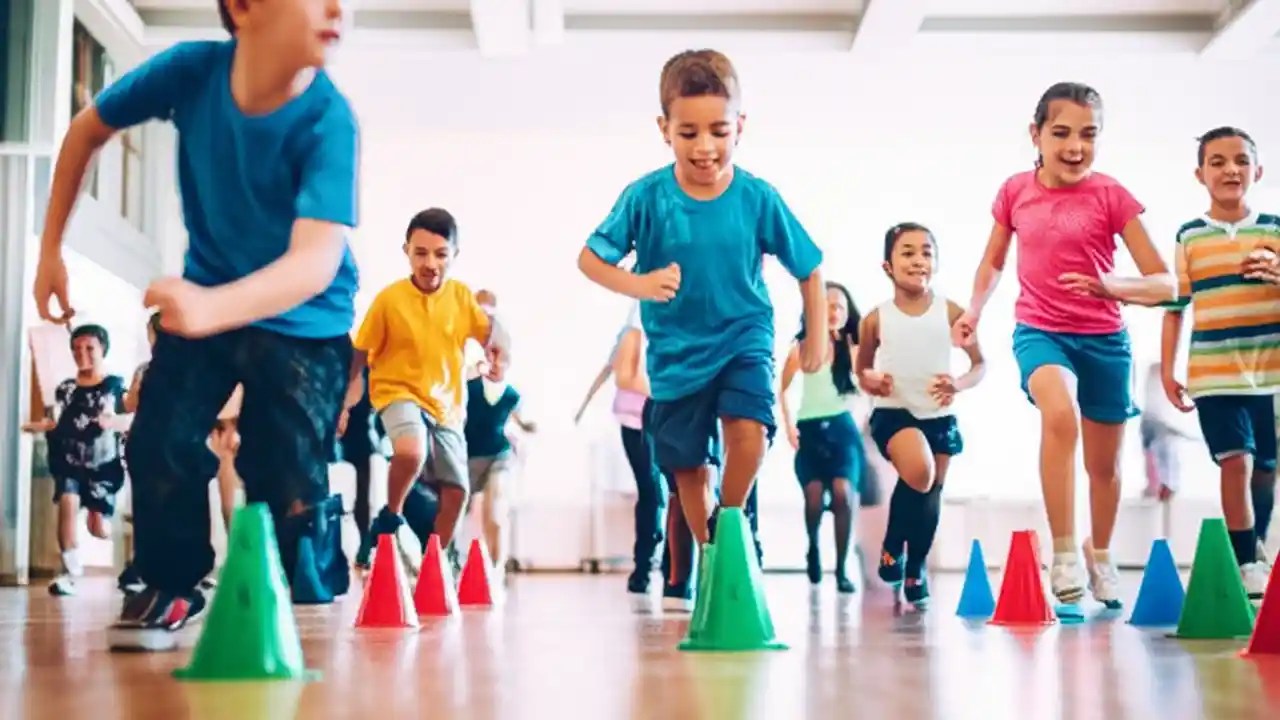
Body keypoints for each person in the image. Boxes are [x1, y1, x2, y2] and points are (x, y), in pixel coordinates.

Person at [34, 0, 360, 651]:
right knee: (158, 441)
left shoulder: (330, 120)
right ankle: (170, 581)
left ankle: (317, 549)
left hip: (306, 321)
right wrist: (50, 251)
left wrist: (208, 308)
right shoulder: (191, 72)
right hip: (206, 304)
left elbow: (315, 262)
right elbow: (86, 131)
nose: (337, 8)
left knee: (283, 473)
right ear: (244, 8)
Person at [577, 49, 826, 600]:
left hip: (744, 337)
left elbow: (808, 266)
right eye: (689, 132)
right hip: (675, 354)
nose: (705, 147)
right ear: (665, 129)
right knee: (687, 471)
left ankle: (729, 527)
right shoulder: (645, 198)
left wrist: (817, 334)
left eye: (719, 130)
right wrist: (639, 284)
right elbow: (590, 258)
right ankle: (712, 550)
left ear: (740, 125)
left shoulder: (758, 198)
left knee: (749, 438)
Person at [954, 82, 1176, 612]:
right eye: (1061, 134)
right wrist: (974, 309)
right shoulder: (1015, 191)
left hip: (1104, 340)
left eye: (1088, 134)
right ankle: (1063, 554)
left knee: (1106, 467)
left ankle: (1098, 553)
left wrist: (1111, 286)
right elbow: (993, 261)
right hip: (1040, 330)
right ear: (1036, 134)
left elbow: (1166, 283)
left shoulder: (1111, 196)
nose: (1075, 146)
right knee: (1059, 415)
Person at [348, 208, 510, 574]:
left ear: (454, 255)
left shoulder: (460, 297)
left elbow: (494, 335)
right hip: (397, 393)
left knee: (457, 492)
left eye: (440, 254)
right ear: (406, 250)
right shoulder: (390, 300)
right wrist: (349, 398)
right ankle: (390, 516)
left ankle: (435, 562)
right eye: (420, 252)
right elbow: (360, 349)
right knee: (411, 450)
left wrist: (500, 356)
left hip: (447, 407)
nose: (430, 263)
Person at [1160, 126, 1280, 598]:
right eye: (1218, 161)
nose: (1230, 169)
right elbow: (1176, 306)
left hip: (1271, 375)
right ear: (1200, 174)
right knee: (1237, 462)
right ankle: (1247, 560)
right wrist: (1169, 371)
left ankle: (1254, 546)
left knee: (1267, 468)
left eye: (1240, 160)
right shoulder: (1190, 236)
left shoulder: (1274, 228)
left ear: (1257, 170)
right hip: (1213, 374)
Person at [856, 224, 985, 608]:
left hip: (938, 416)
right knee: (920, 472)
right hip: (894, 413)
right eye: (907, 252)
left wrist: (958, 384)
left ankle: (915, 568)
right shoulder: (875, 318)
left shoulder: (952, 311)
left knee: (930, 492)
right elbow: (861, 372)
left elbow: (980, 364)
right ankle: (893, 545)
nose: (918, 260)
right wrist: (873, 380)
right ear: (888, 266)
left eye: (926, 252)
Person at [22, 324, 128, 597]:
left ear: (103, 349)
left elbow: (124, 418)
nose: (82, 354)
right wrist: (38, 425)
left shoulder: (115, 385)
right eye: (76, 349)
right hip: (68, 459)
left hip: (102, 465)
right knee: (67, 502)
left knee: (99, 528)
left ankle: (128, 548)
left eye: (89, 348)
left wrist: (112, 421)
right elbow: (55, 418)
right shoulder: (66, 388)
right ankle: (70, 572)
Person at [779, 281, 863, 593]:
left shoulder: (853, 348)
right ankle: (813, 548)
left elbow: (869, 384)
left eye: (839, 306)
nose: (833, 312)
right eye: (827, 305)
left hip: (842, 429)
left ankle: (841, 568)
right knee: (813, 496)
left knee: (843, 493)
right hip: (810, 430)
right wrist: (788, 427)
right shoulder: (800, 349)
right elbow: (782, 389)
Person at [463, 289, 536, 579]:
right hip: (468, 456)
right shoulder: (468, 386)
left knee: (496, 511)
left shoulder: (511, 394)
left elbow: (519, 419)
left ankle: (496, 568)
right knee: (459, 513)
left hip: (498, 454)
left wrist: (527, 429)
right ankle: (455, 563)